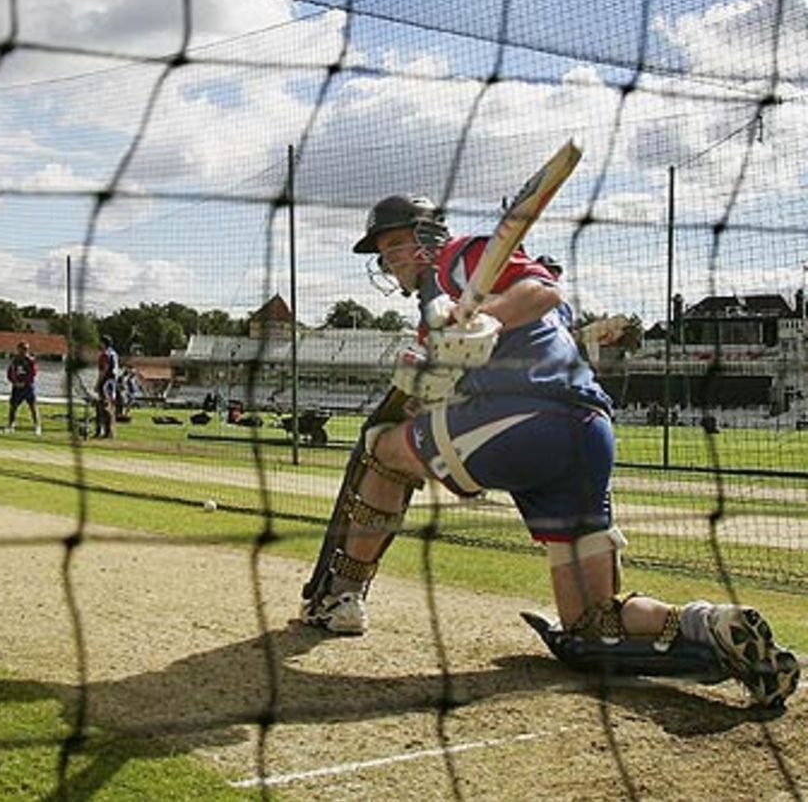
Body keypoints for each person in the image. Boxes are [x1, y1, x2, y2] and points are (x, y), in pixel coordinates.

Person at [299, 193, 800, 710]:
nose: (391, 261)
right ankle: (710, 625)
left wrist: (484, 317)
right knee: (592, 622)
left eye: (396, 246)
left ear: (427, 240)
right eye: (385, 254)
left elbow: (541, 291)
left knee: (381, 448)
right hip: (586, 433)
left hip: (524, 418)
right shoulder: (436, 316)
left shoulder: (462, 258)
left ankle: (341, 597)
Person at [6, 340, 41, 435]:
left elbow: (33, 373)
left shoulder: (30, 361)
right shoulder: (14, 360)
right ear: (18, 349)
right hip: (17, 387)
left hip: (28, 387)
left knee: (33, 406)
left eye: (26, 349)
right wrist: (15, 382)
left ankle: (37, 426)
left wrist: (25, 382)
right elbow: (10, 373)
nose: (24, 351)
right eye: (22, 349)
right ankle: (11, 425)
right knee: (13, 406)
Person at [94, 335, 120, 439]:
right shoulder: (114, 353)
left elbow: (104, 370)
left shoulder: (105, 354)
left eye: (100, 342)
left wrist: (98, 383)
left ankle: (106, 431)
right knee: (109, 406)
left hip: (106, 382)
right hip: (112, 382)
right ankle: (109, 431)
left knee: (104, 406)